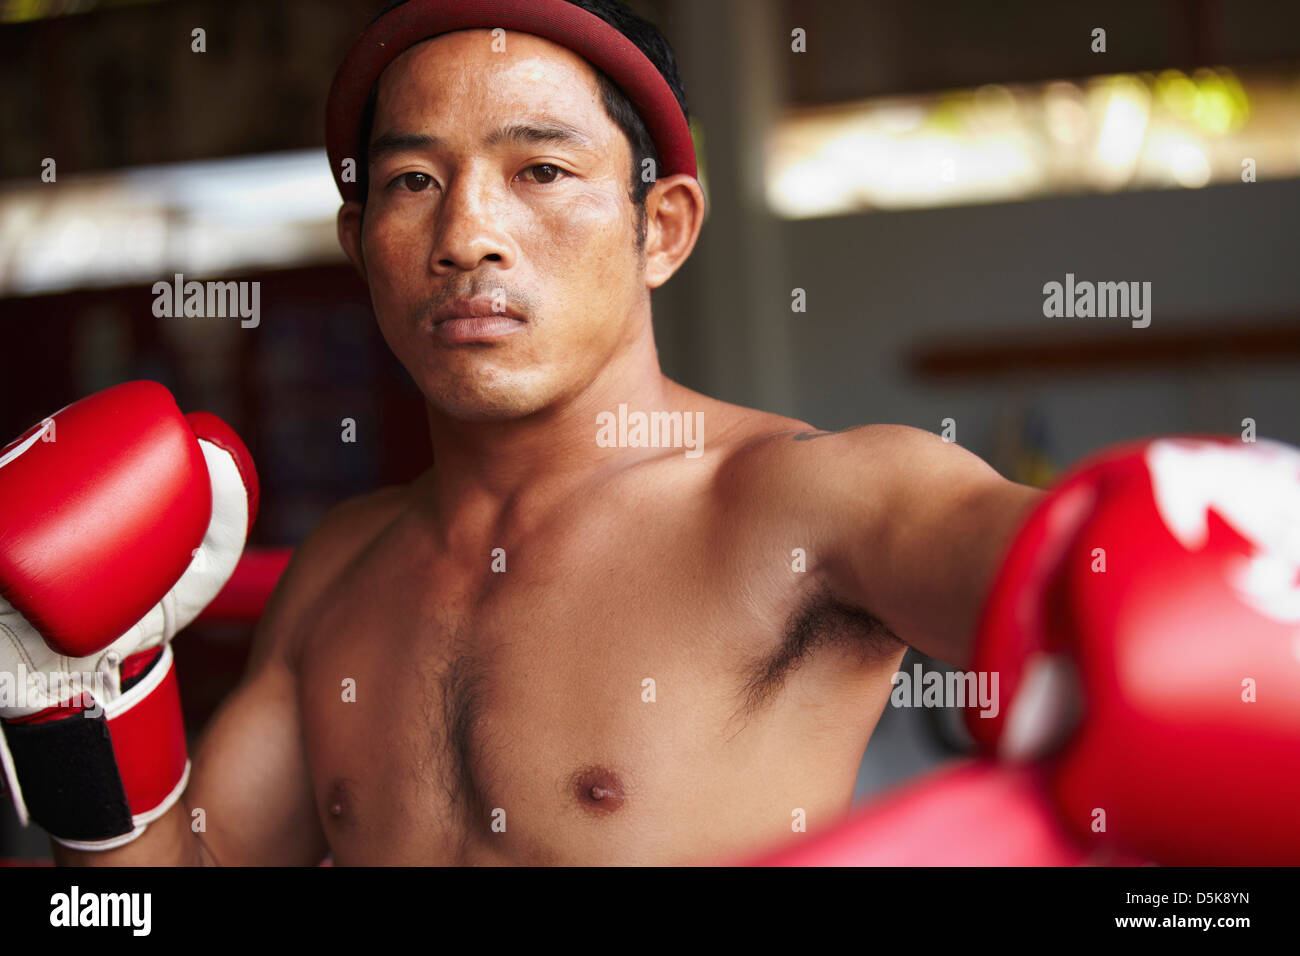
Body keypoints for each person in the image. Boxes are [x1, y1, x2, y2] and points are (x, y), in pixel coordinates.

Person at [11, 0, 1045, 865]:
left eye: (540, 171)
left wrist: (1146, 564)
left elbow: (1079, 567)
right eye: (413, 181)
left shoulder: (814, 502)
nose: (465, 237)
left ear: (664, 228)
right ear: (358, 241)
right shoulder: (338, 569)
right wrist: (80, 701)